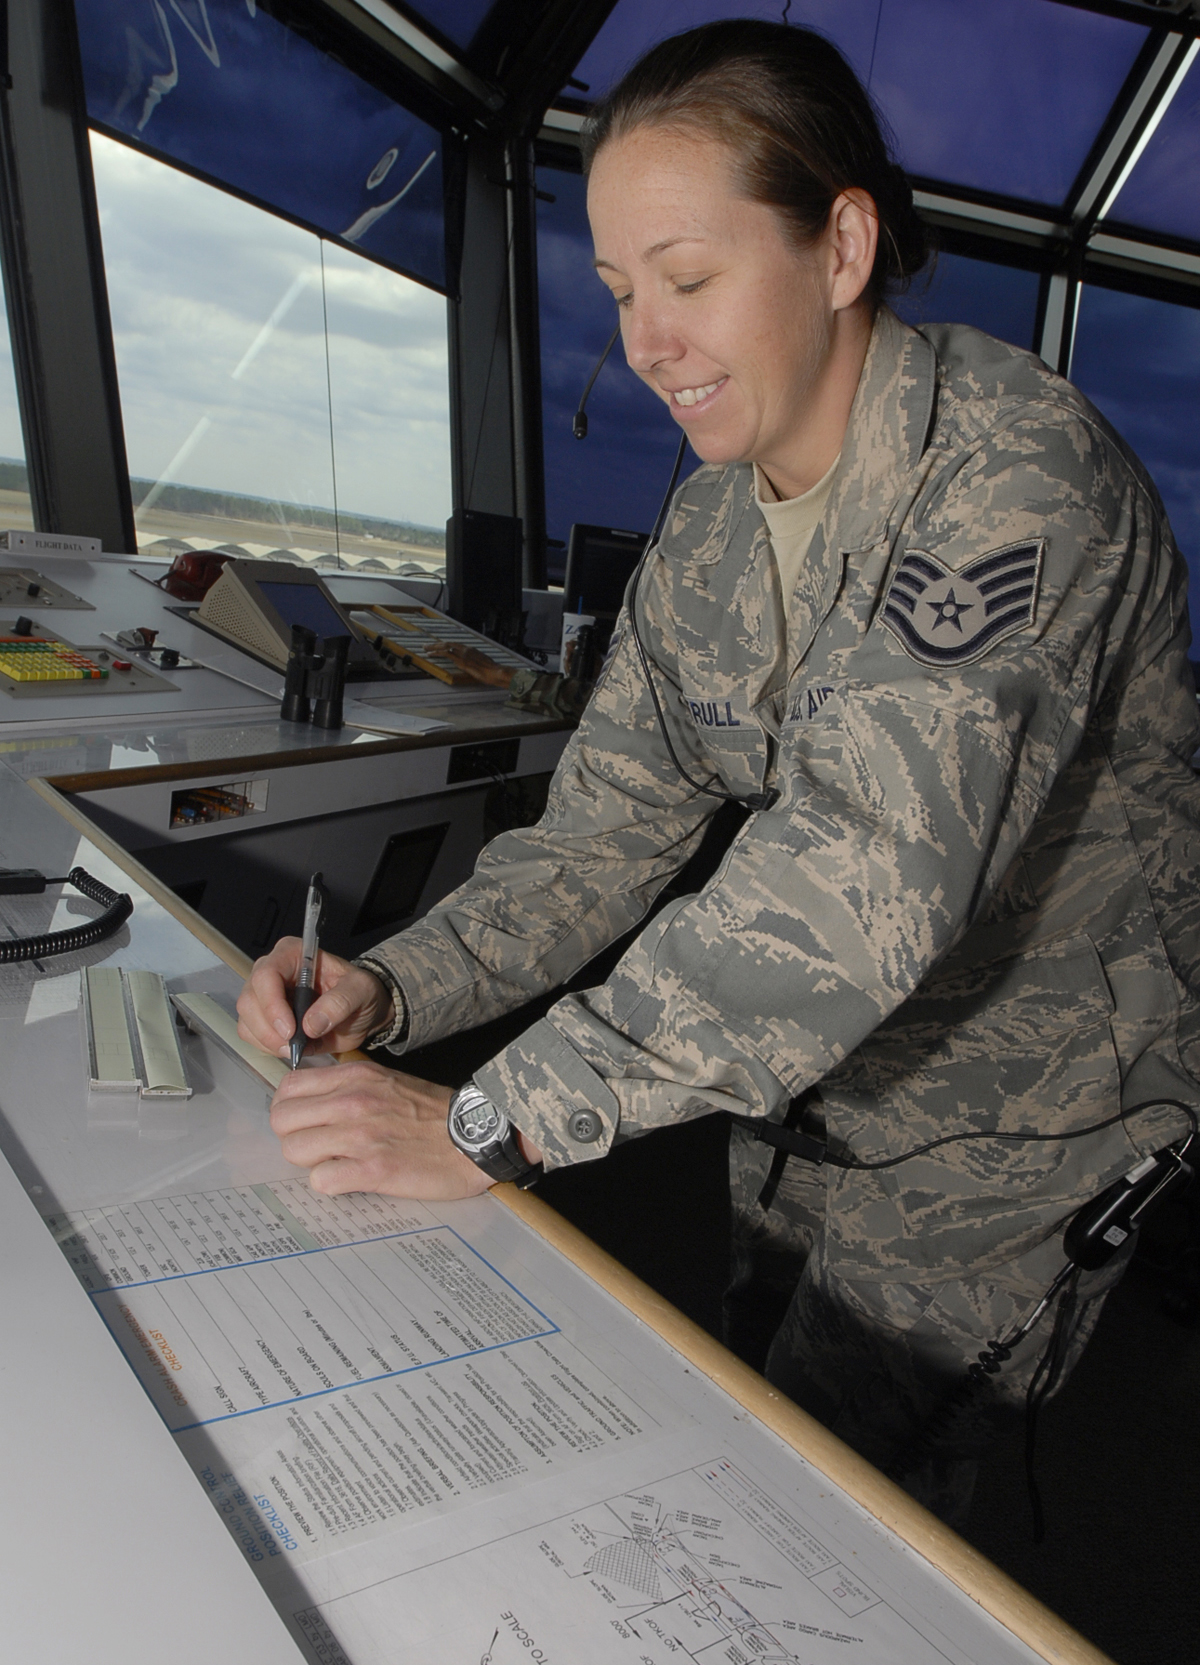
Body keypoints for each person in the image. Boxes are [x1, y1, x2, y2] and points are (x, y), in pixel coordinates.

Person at [237, 19, 1200, 1524]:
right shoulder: (705, 534)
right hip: (804, 1090)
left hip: (1014, 1128)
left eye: (688, 282)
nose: (644, 344)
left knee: (854, 1517)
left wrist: (501, 1118)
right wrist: (399, 986)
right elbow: (602, 839)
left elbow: (862, 879)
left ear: (841, 247)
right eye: (621, 293)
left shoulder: (1018, 473)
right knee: (751, 1418)